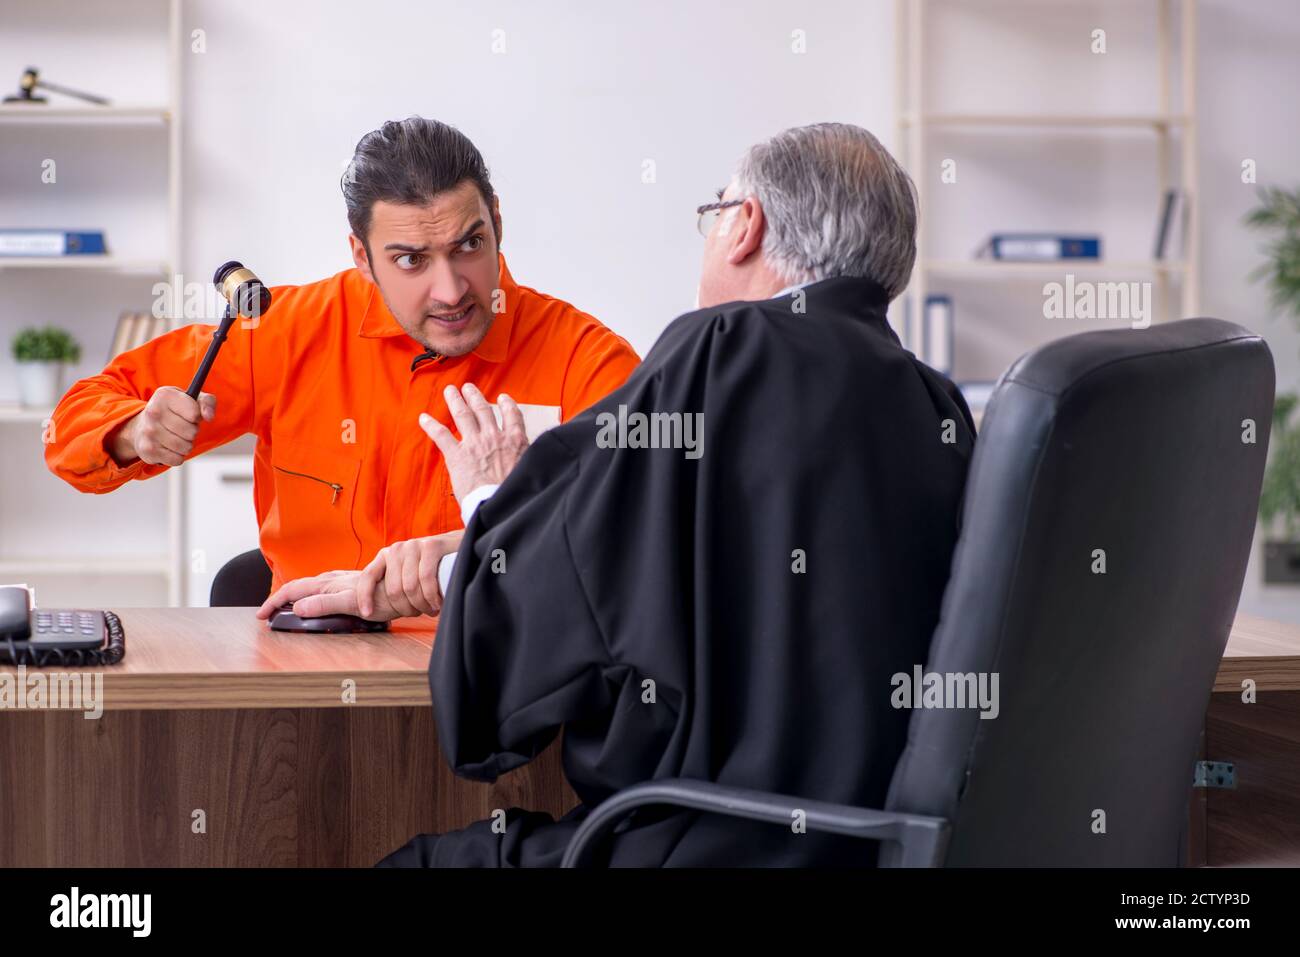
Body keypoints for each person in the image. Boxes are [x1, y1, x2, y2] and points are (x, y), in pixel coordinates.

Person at [271, 123, 976, 866]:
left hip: (704, 843)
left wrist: (485, 501)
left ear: (745, 227)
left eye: (716, 214)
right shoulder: (938, 407)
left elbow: (532, 647)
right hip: (880, 851)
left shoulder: (718, 352)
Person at [43, 117, 639, 594]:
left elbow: (642, 541)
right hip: (306, 692)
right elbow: (72, 421)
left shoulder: (584, 360)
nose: (452, 289)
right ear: (362, 255)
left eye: (469, 245)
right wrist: (132, 431)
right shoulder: (286, 332)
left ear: (497, 223)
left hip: (498, 694)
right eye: (410, 260)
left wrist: (470, 549)